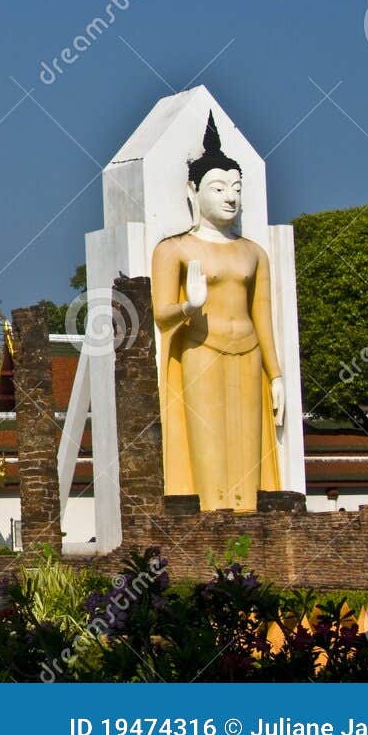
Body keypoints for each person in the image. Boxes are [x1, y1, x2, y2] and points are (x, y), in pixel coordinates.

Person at [150, 114, 283, 511]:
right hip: (200, 350)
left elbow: (264, 319)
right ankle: (211, 523)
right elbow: (160, 315)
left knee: (248, 448)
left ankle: (250, 526)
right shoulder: (174, 249)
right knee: (207, 450)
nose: (230, 197)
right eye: (219, 187)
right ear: (193, 190)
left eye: (236, 189)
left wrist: (275, 374)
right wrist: (188, 306)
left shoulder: (253, 253)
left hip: (249, 350)